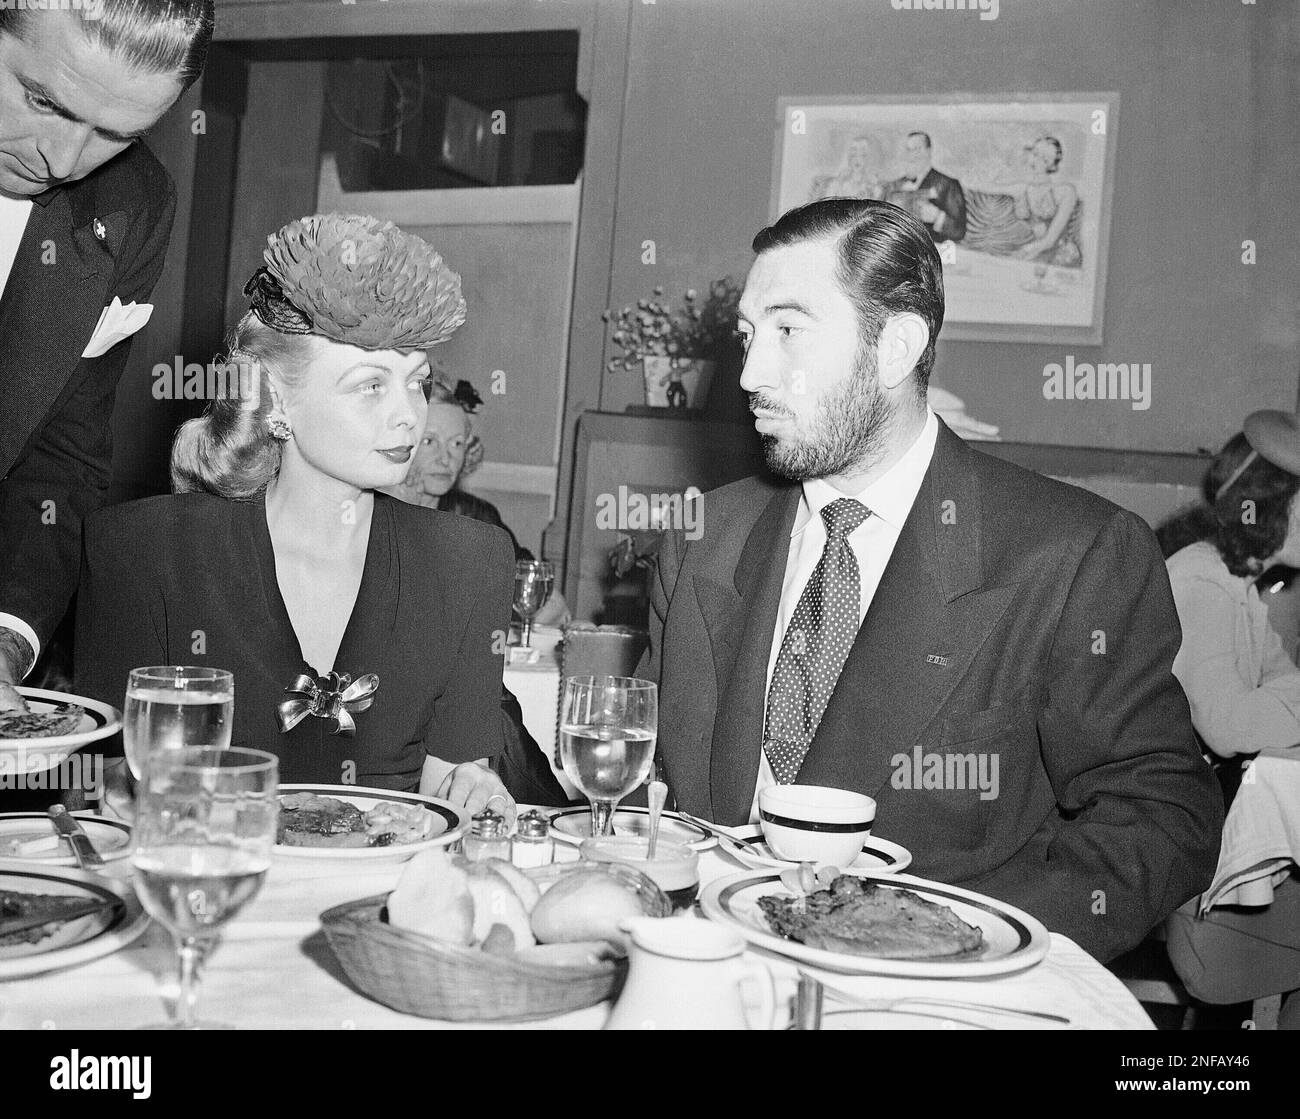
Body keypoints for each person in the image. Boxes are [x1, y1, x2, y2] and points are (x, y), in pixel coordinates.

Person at [641, 197, 1222, 963]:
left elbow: (1162, 813)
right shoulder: (701, 540)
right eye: (748, 336)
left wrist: (956, 934)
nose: (750, 373)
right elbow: (645, 780)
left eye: (787, 330)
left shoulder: (1071, 553)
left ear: (896, 348)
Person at [76, 214, 517, 822]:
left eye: (417, 383)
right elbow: (99, 780)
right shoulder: (142, 551)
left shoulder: (470, 562)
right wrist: (120, 790)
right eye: (370, 386)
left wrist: (472, 787)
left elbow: (447, 790)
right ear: (275, 398)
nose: (407, 417)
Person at [0, 0, 214, 714]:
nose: (61, 160)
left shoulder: (135, 204)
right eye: (42, 101)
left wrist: (5, 638)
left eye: (115, 134)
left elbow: (61, 457)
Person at [1156, 413, 1300, 1025]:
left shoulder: (1247, 579)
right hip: (1181, 815)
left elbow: (1278, 679)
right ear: (1267, 509)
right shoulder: (1200, 578)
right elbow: (1232, 726)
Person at [880, 131, 966, 243]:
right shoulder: (893, 186)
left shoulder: (948, 185)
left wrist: (937, 217)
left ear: (929, 152)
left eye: (917, 149)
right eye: (909, 150)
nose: (912, 155)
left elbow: (959, 231)